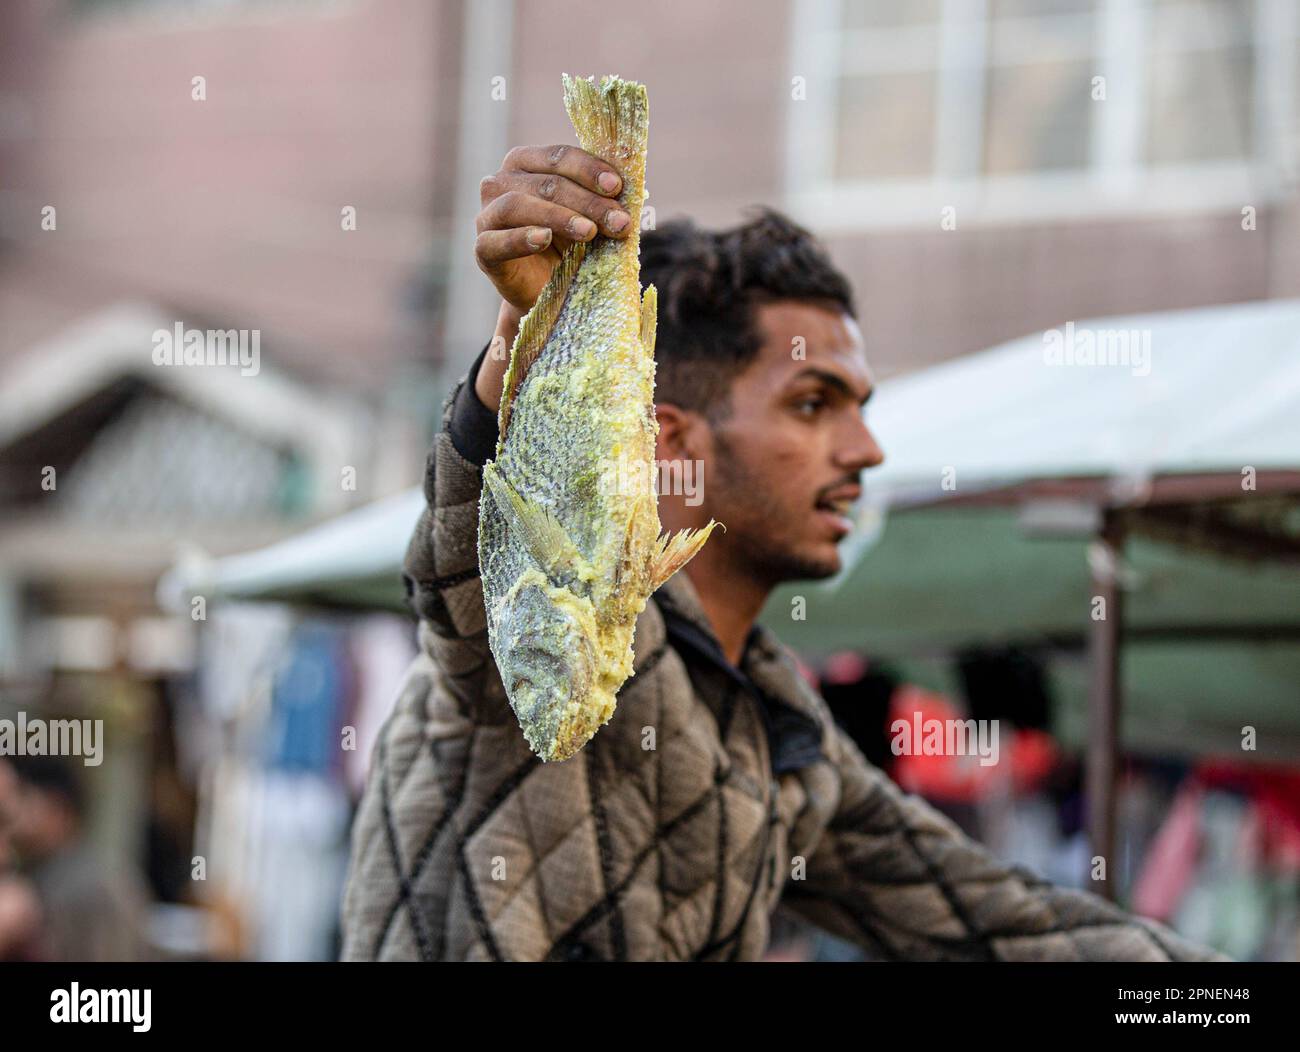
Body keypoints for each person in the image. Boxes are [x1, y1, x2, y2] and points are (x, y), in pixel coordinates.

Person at [340, 144, 1224, 962]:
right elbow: (469, 561)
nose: (867, 450)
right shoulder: (559, 643)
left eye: (860, 405)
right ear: (668, 443)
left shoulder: (779, 727)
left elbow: (1005, 923)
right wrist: (521, 347)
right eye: (813, 403)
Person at [8, 755, 150, 961]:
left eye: (22, 796)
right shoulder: (40, 874)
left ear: (57, 809)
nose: (16, 817)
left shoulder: (89, 885)